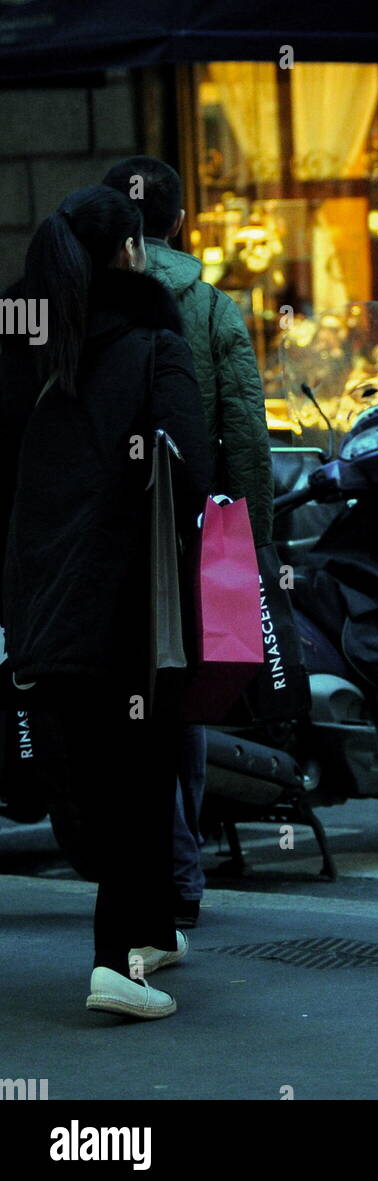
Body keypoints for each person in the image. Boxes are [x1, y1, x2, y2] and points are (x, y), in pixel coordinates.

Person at [0, 186, 211, 1020]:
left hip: (37, 596)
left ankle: (150, 930)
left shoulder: (25, 346)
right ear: (131, 252)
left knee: (91, 768)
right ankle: (114, 964)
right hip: (129, 594)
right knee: (138, 770)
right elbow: (192, 467)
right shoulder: (156, 341)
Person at [103, 157, 274, 928]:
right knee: (188, 693)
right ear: (178, 222)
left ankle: (153, 870)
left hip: (103, 536)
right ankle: (184, 872)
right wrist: (254, 545)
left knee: (122, 704)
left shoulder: (76, 305)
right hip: (194, 532)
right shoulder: (210, 310)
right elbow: (245, 435)